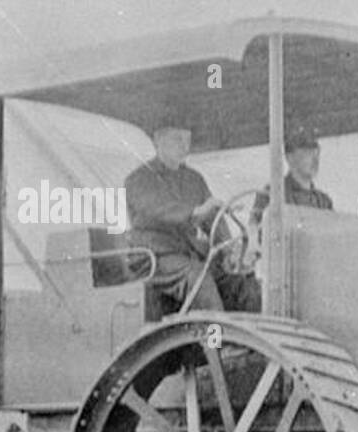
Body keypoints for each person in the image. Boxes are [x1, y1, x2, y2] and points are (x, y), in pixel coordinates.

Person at [124, 117, 261, 314]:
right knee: (199, 280)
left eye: (187, 140)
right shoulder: (138, 179)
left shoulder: (194, 179)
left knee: (241, 282)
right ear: (157, 140)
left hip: (188, 256)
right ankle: (216, 344)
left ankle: (252, 341)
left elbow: (213, 216)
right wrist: (196, 211)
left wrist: (228, 251)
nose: (184, 146)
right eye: (177, 139)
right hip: (155, 257)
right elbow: (159, 210)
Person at [251, 127, 335, 219]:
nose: (315, 160)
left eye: (316, 152)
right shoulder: (273, 194)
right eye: (307, 153)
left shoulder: (324, 202)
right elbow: (255, 229)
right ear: (290, 157)